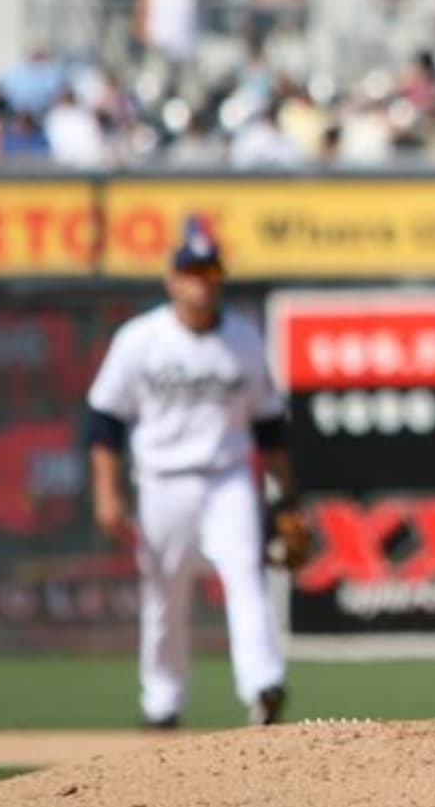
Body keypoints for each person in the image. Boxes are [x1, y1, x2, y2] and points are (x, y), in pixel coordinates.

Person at [84, 219, 297, 728]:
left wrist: (287, 496)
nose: (201, 281)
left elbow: (270, 425)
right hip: (162, 482)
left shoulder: (243, 339)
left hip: (227, 478)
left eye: (209, 271)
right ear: (172, 279)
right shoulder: (141, 339)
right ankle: (163, 701)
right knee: (165, 593)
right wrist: (107, 494)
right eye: (191, 271)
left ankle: (262, 686)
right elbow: (105, 419)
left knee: (246, 576)